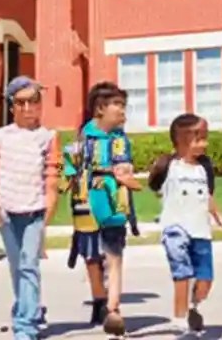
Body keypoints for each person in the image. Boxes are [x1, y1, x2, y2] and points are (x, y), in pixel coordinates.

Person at [63, 81, 140, 336]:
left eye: (123, 105)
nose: (122, 111)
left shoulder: (121, 140)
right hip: (86, 202)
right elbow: (71, 167)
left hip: (114, 201)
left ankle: (113, 309)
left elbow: (126, 165)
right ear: (99, 108)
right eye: (117, 105)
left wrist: (125, 173)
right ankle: (99, 299)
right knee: (91, 257)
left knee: (114, 256)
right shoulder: (83, 138)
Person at [0, 77, 59, 340]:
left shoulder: (48, 137)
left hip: (34, 212)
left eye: (33, 101)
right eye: (21, 102)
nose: (28, 108)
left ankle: (24, 325)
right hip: (6, 211)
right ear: (12, 106)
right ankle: (30, 307)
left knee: (29, 265)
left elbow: (53, 174)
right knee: (17, 267)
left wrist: (50, 203)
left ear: (40, 105)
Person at [147, 113, 222, 335]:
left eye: (205, 138)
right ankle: (179, 316)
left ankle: (194, 305)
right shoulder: (169, 166)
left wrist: (219, 216)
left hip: (201, 230)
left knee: (205, 280)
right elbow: (154, 185)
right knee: (182, 272)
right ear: (181, 141)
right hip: (175, 228)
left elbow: (208, 196)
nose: (204, 144)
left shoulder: (205, 167)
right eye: (198, 139)